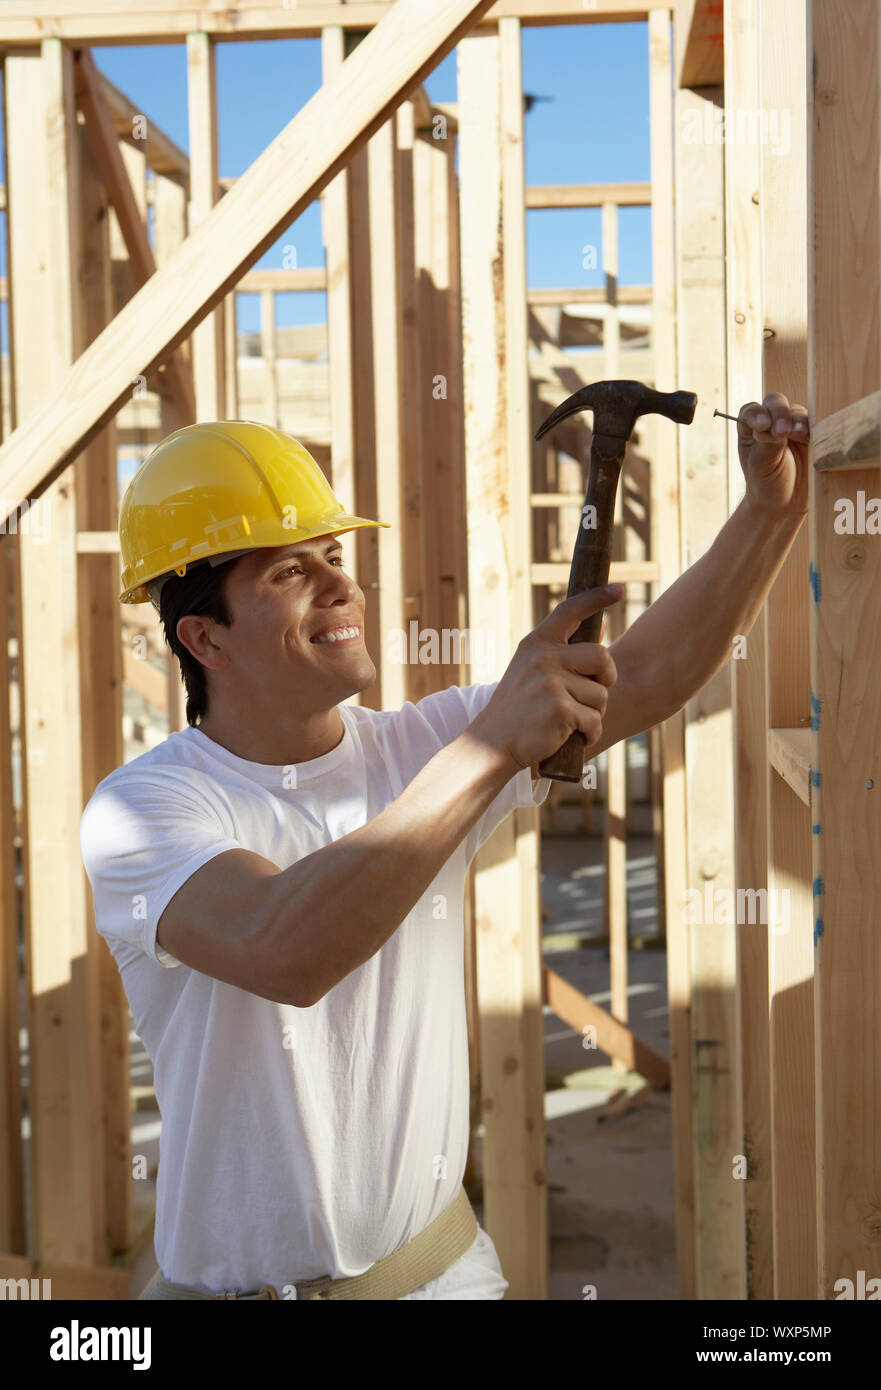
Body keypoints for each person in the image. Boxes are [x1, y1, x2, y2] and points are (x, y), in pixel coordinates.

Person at [80, 399, 809, 1300]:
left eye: (336, 558)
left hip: (432, 1278)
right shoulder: (143, 810)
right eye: (287, 572)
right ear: (204, 636)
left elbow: (649, 672)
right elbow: (284, 946)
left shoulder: (424, 748)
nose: (339, 587)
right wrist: (490, 747)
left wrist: (769, 511)